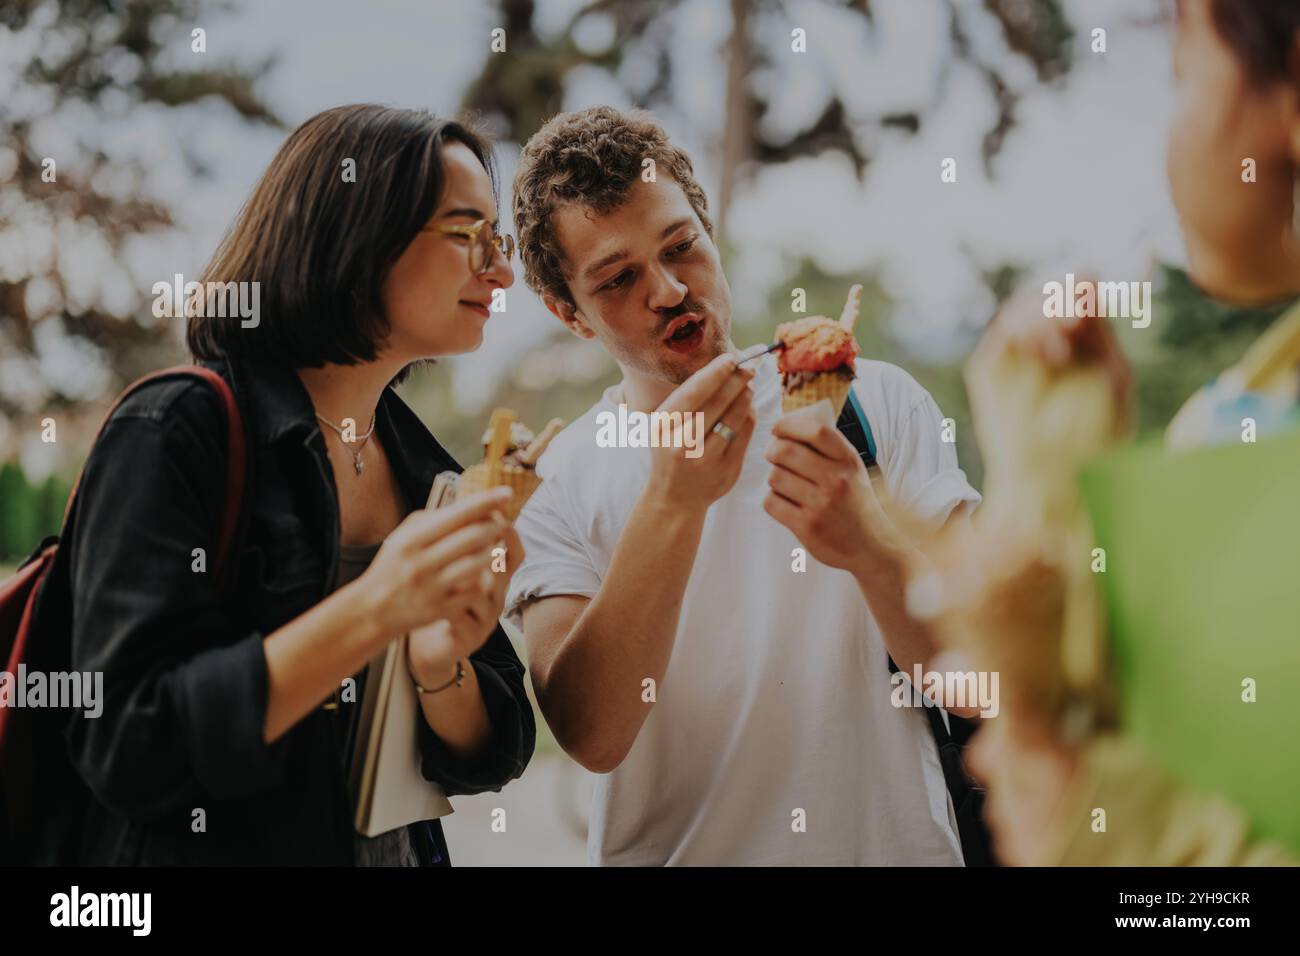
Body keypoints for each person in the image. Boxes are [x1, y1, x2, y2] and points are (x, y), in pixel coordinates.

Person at [44, 104, 535, 864]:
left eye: (498, 241)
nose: (501, 269)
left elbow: (495, 751)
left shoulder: (426, 465)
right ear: (358, 236)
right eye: (469, 234)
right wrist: (376, 608)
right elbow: (128, 742)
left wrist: (441, 666)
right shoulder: (175, 432)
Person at [505, 106, 981, 865]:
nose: (667, 291)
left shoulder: (877, 402)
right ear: (571, 314)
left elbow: (983, 679)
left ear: (711, 231)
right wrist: (673, 500)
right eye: (620, 278)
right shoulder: (559, 478)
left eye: (682, 247)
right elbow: (592, 736)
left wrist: (869, 548)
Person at [943, 0, 1300, 866]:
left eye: (1184, 78)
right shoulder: (1249, 405)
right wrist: (1059, 473)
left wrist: (1083, 815)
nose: (1168, 143)